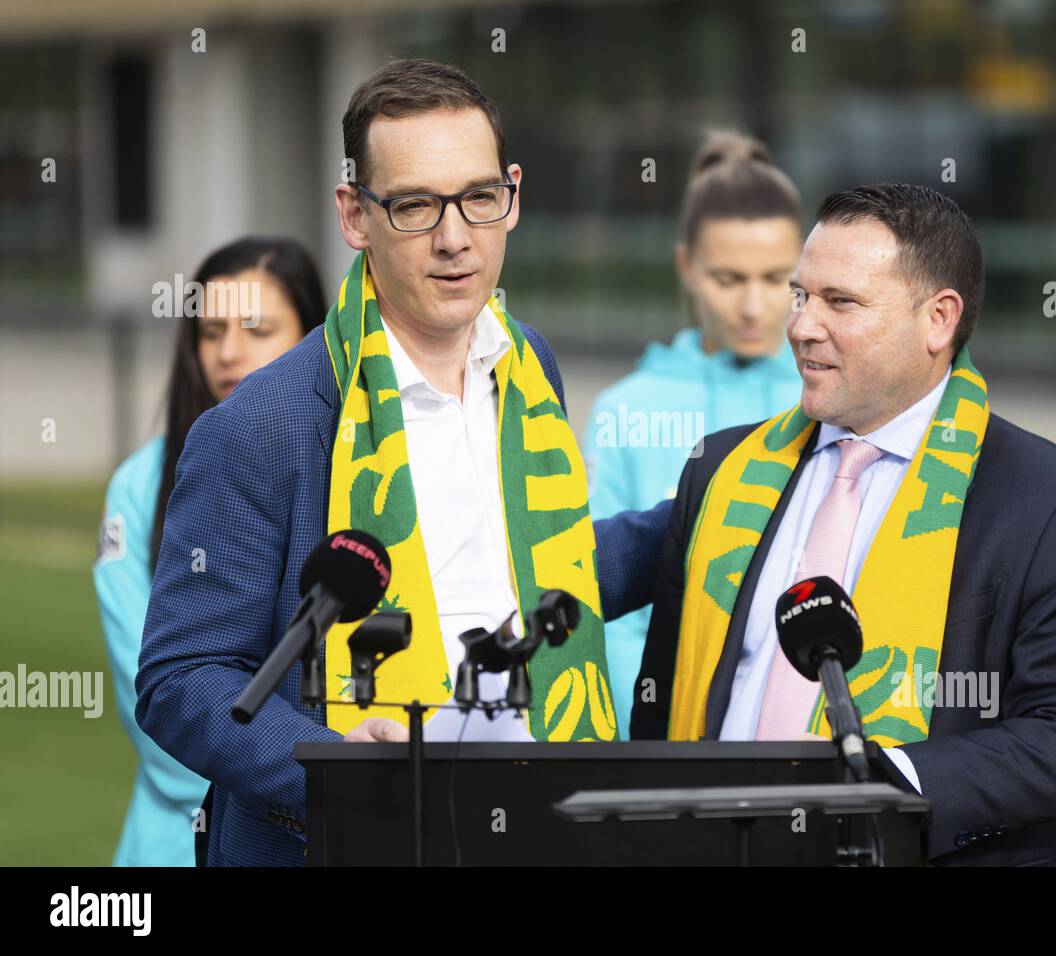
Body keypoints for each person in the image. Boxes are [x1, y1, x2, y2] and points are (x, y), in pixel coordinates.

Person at [135, 59, 668, 866]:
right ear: (355, 215)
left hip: (535, 826)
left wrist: (701, 508)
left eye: (479, 198)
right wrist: (338, 768)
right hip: (344, 841)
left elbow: (546, 573)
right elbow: (183, 678)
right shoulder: (258, 425)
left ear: (512, 196)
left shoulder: (531, 367)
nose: (454, 238)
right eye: (416, 205)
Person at [631, 183, 1056, 866]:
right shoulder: (722, 469)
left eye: (840, 302)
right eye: (802, 295)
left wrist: (879, 782)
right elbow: (658, 705)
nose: (802, 326)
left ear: (938, 320)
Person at [93, 237, 326, 866]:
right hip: (176, 840)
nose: (228, 352)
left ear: (312, 337)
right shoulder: (140, 488)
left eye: (256, 328)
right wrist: (326, 784)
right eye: (211, 330)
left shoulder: (348, 472)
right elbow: (161, 698)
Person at [583, 130, 804, 736]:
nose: (755, 306)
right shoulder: (625, 409)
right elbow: (602, 601)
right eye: (729, 279)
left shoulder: (834, 397)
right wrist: (651, 742)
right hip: (663, 732)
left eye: (777, 277)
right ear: (687, 266)